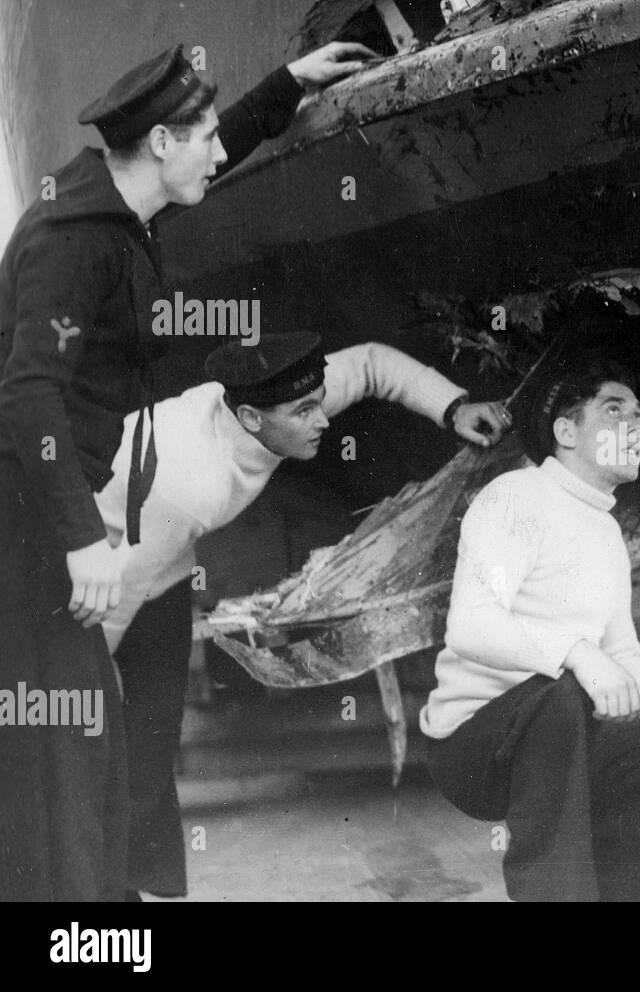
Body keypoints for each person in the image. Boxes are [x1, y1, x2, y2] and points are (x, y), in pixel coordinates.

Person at [0, 40, 373, 901]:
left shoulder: (111, 208)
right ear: (161, 145)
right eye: (201, 138)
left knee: (85, 744)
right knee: (65, 748)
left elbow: (208, 155)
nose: (215, 152)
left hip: (44, 510)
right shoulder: (75, 243)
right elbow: (26, 394)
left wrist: (283, 88)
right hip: (28, 524)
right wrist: (81, 541)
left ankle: (99, 918)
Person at [96, 331, 510, 899]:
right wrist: (89, 677)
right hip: (81, 562)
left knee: (151, 733)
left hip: (154, 564)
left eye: (319, 402)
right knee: (98, 724)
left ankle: (138, 886)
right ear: (249, 417)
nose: (323, 421)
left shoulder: (278, 401)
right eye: (304, 412)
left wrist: (455, 406)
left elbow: (369, 364)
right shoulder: (193, 484)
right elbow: (117, 593)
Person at [419, 360, 640, 901]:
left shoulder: (605, 532)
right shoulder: (515, 497)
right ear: (566, 432)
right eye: (612, 411)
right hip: (475, 744)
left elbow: (622, 654)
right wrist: (576, 652)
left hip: (562, 730)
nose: (634, 427)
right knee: (568, 690)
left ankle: (604, 892)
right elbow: (469, 627)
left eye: (639, 417)